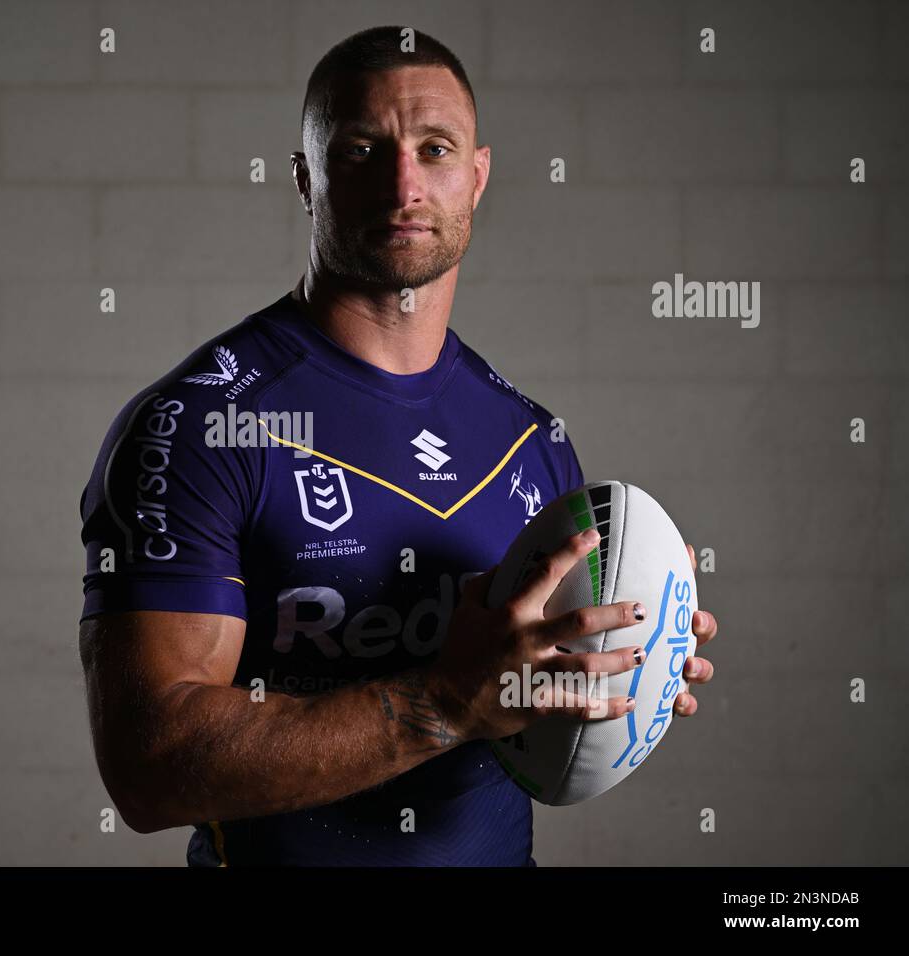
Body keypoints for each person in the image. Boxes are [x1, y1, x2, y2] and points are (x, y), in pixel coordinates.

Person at [77, 25, 718, 865]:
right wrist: (444, 700)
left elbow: (526, 722)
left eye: (436, 148)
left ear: (477, 178)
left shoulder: (530, 439)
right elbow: (149, 766)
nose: (404, 183)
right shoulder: (198, 425)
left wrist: (623, 663)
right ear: (305, 178)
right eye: (362, 149)